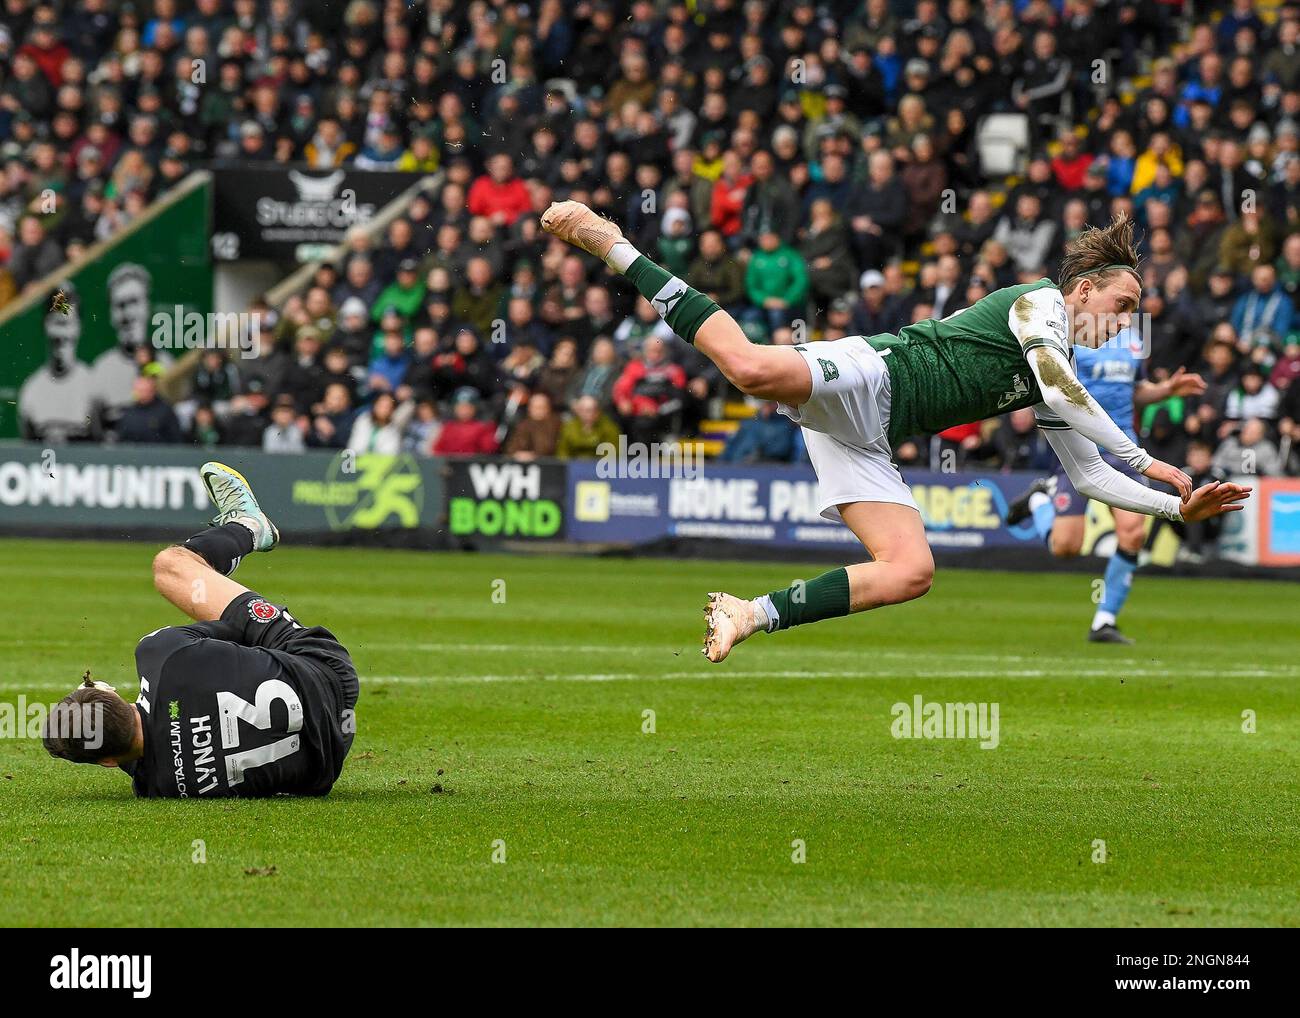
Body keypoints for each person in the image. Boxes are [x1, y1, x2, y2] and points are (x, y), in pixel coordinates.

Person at [540, 200, 1252, 662]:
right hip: (877, 373)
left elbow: (1088, 475)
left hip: (868, 438)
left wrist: (1174, 510)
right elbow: (1069, 396)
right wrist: (1150, 461)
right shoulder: (1041, 306)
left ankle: (748, 612)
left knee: (912, 572)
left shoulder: (1057, 364)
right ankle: (615, 245)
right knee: (747, 367)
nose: (1125, 323)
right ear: (1084, 289)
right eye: (1122, 305)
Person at [42, 463, 358, 798]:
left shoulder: (157, 786)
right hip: (327, 670)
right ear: (111, 696)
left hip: (329, 755)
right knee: (170, 568)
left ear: (107, 762)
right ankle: (249, 525)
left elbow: (132, 751)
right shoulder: (160, 654)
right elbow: (236, 629)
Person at [1005, 334, 1208, 643]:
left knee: (1133, 533)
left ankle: (1104, 620)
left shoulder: (1133, 341)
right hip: (1078, 445)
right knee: (1066, 548)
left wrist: (1165, 390)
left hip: (1124, 447)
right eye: (1123, 304)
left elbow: (1134, 391)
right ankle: (1039, 500)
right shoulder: (1069, 335)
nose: (1127, 314)